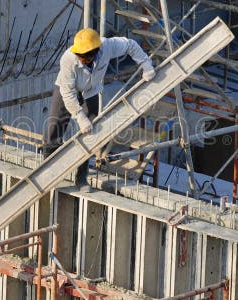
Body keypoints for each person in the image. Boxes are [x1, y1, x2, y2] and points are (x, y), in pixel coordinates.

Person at [43, 28, 156, 188]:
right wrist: (79, 116)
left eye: (83, 57)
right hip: (67, 89)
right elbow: (68, 93)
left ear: (94, 53)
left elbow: (130, 45)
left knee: (90, 134)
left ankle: (81, 178)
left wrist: (145, 63)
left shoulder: (107, 46)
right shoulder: (68, 59)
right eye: (79, 56)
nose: (80, 59)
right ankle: (48, 174)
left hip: (91, 91)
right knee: (54, 129)